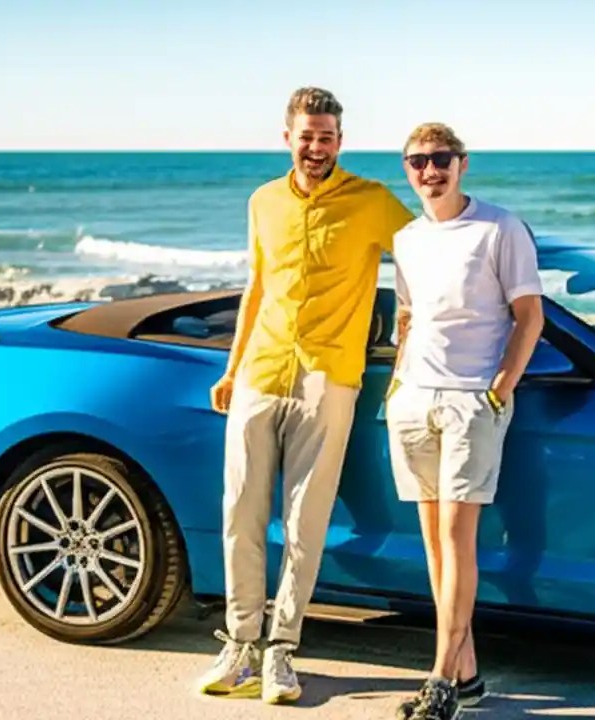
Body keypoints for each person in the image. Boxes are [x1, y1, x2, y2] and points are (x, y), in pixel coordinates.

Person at [195, 86, 414, 704]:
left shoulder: (371, 203)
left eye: (326, 137)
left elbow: (426, 256)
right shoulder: (263, 201)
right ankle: (239, 644)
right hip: (261, 372)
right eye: (306, 135)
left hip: (329, 376)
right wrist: (232, 369)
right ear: (287, 137)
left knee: (304, 521)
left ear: (340, 143)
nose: (315, 147)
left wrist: (414, 322)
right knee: (239, 511)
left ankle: (281, 651)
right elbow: (256, 288)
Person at [385, 122, 545, 720]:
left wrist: (500, 389)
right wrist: (399, 384)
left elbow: (530, 317)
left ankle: (439, 680)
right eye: (418, 161)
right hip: (414, 401)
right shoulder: (406, 238)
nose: (431, 170)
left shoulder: (500, 228)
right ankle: (467, 673)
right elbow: (408, 316)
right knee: (433, 548)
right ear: (407, 168)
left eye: (441, 158)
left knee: (458, 543)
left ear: (462, 163)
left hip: (471, 401)